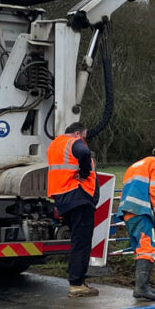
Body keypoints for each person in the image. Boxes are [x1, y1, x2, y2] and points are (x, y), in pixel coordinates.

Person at [119, 143, 155, 301]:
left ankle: (140, 287)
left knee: (139, 249)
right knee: (147, 248)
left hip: (128, 211)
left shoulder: (136, 165)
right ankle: (142, 288)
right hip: (142, 211)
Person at [47, 122, 98, 297]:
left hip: (63, 198)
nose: (85, 141)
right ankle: (76, 284)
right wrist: (84, 173)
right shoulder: (74, 142)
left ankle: (77, 279)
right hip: (78, 196)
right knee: (82, 242)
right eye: (84, 137)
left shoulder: (55, 144)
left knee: (77, 241)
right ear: (77, 134)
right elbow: (84, 153)